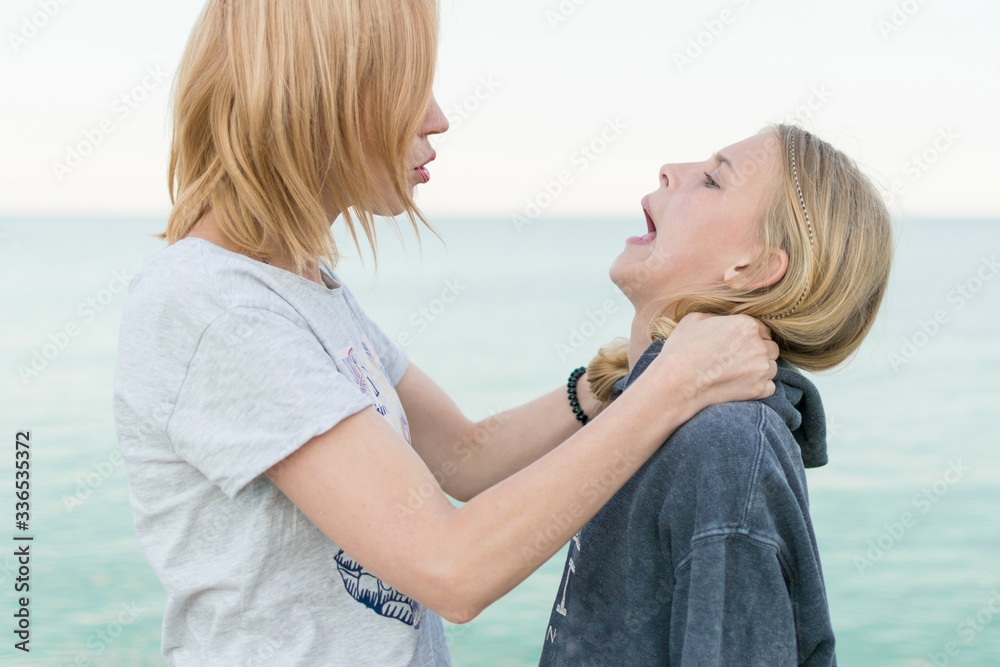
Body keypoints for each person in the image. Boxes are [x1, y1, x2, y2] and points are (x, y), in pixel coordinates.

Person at [111, 1, 780, 665]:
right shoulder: (215, 307)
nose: (437, 117)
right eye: (411, 86)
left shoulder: (303, 288)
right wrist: (670, 387)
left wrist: (625, 375)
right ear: (322, 94)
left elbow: (464, 456)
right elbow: (450, 567)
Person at [538, 125, 894, 666]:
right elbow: (456, 461)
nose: (669, 169)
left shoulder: (723, 447)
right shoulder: (650, 412)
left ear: (751, 268)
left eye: (710, 180)